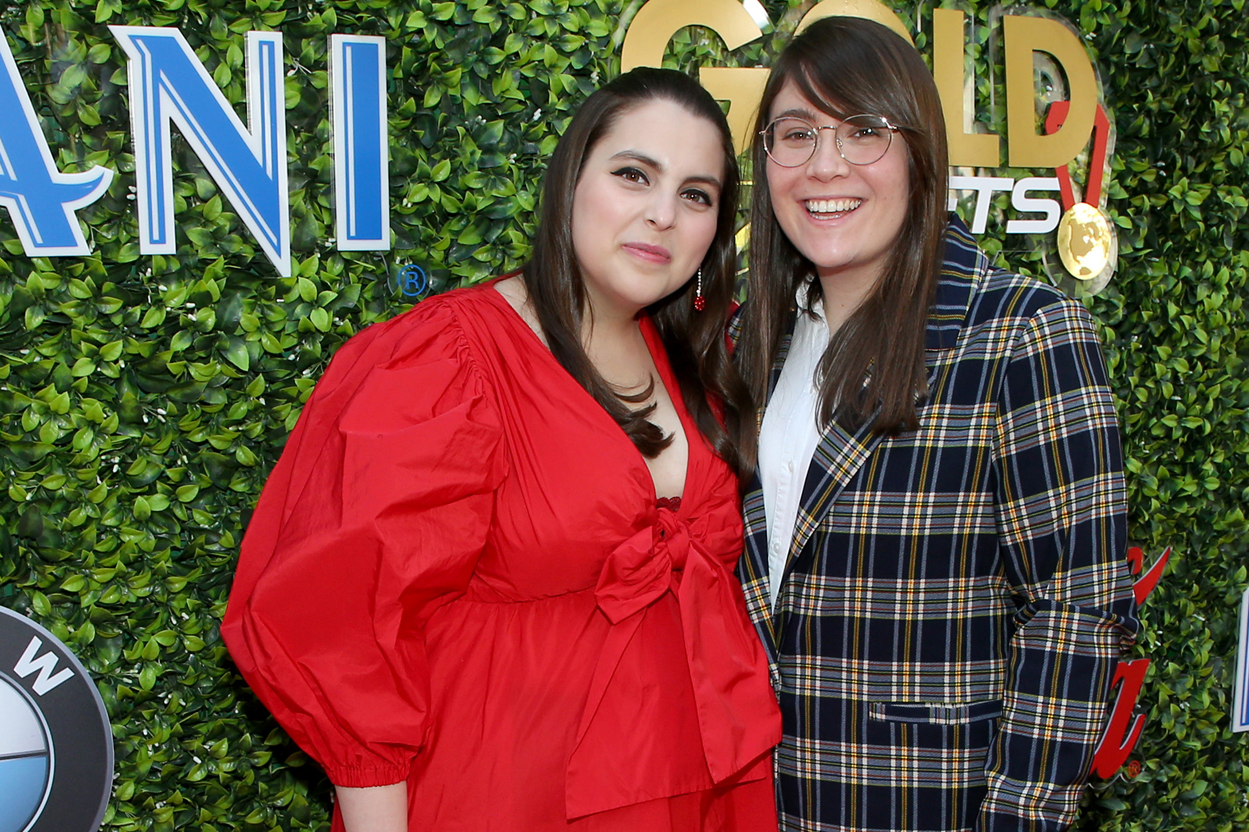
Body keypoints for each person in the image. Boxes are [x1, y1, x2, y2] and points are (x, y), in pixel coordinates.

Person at [221, 67, 781, 832]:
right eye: (632, 175)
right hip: (500, 792)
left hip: (696, 792)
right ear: (569, 183)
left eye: (695, 195)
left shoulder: (699, 363)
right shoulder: (450, 357)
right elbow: (347, 628)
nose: (661, 215)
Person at [731, 17, 1139, 832]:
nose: (825, 166)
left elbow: (1078, 612)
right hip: (763, 804)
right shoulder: (753, 341)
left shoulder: (1022, 329)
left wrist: (1019, 816)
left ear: (921, 151)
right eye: (796, 134)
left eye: (863, 131)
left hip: (932, 806)